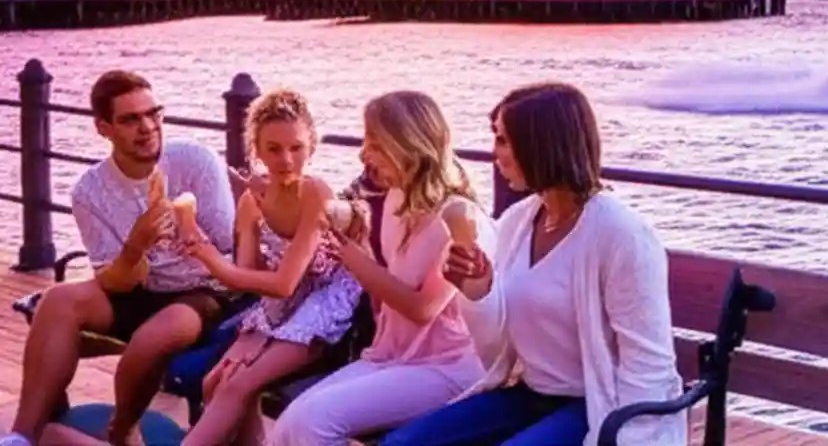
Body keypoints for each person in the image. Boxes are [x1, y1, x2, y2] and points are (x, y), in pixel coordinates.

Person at [380, 82, 685, 446]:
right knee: (401, 444)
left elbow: (648, 365)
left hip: (594, 403)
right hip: (530, 395)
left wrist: (624, 438)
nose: (496, 155)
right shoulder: (517, 222)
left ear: (542, 144)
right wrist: (478, 290)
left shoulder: (622, 234)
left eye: (504, 140)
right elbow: (495, 351)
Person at [0, 70, 236, 446]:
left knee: (157, 334)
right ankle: (21, 437)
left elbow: (227, 246)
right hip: (138, 285)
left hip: (202, 287)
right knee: (57, 300)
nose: (147, 127)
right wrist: (137, 243)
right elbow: (114, 280)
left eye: (153, 114)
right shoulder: (90, 190)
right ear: (103, 128)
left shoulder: (195, 161)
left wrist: (186, 228)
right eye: (130, 119)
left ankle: (123, 429)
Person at [271, 91, 495, 445]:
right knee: (290, 422)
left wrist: (356, 261)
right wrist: (353, 249)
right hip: (392, 354)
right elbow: (384, 292)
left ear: (406, 145)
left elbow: (424, 308)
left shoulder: (457, 216)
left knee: (315, 422)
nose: (363, 154)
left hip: (447, 365)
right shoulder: (395, 200)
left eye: (374, 143)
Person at [178, 89, 364, 446]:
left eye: (296, 148)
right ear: (257, 150)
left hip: (322, 303)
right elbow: (248, 276)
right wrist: (200, 240)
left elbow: (286, 283)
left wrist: (209, 258)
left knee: (239, 385)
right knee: (215, 382)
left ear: (312, 146)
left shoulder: (317, 193)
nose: (286, 160)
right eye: (274, 149)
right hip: (278, 306)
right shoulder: (252, 200)